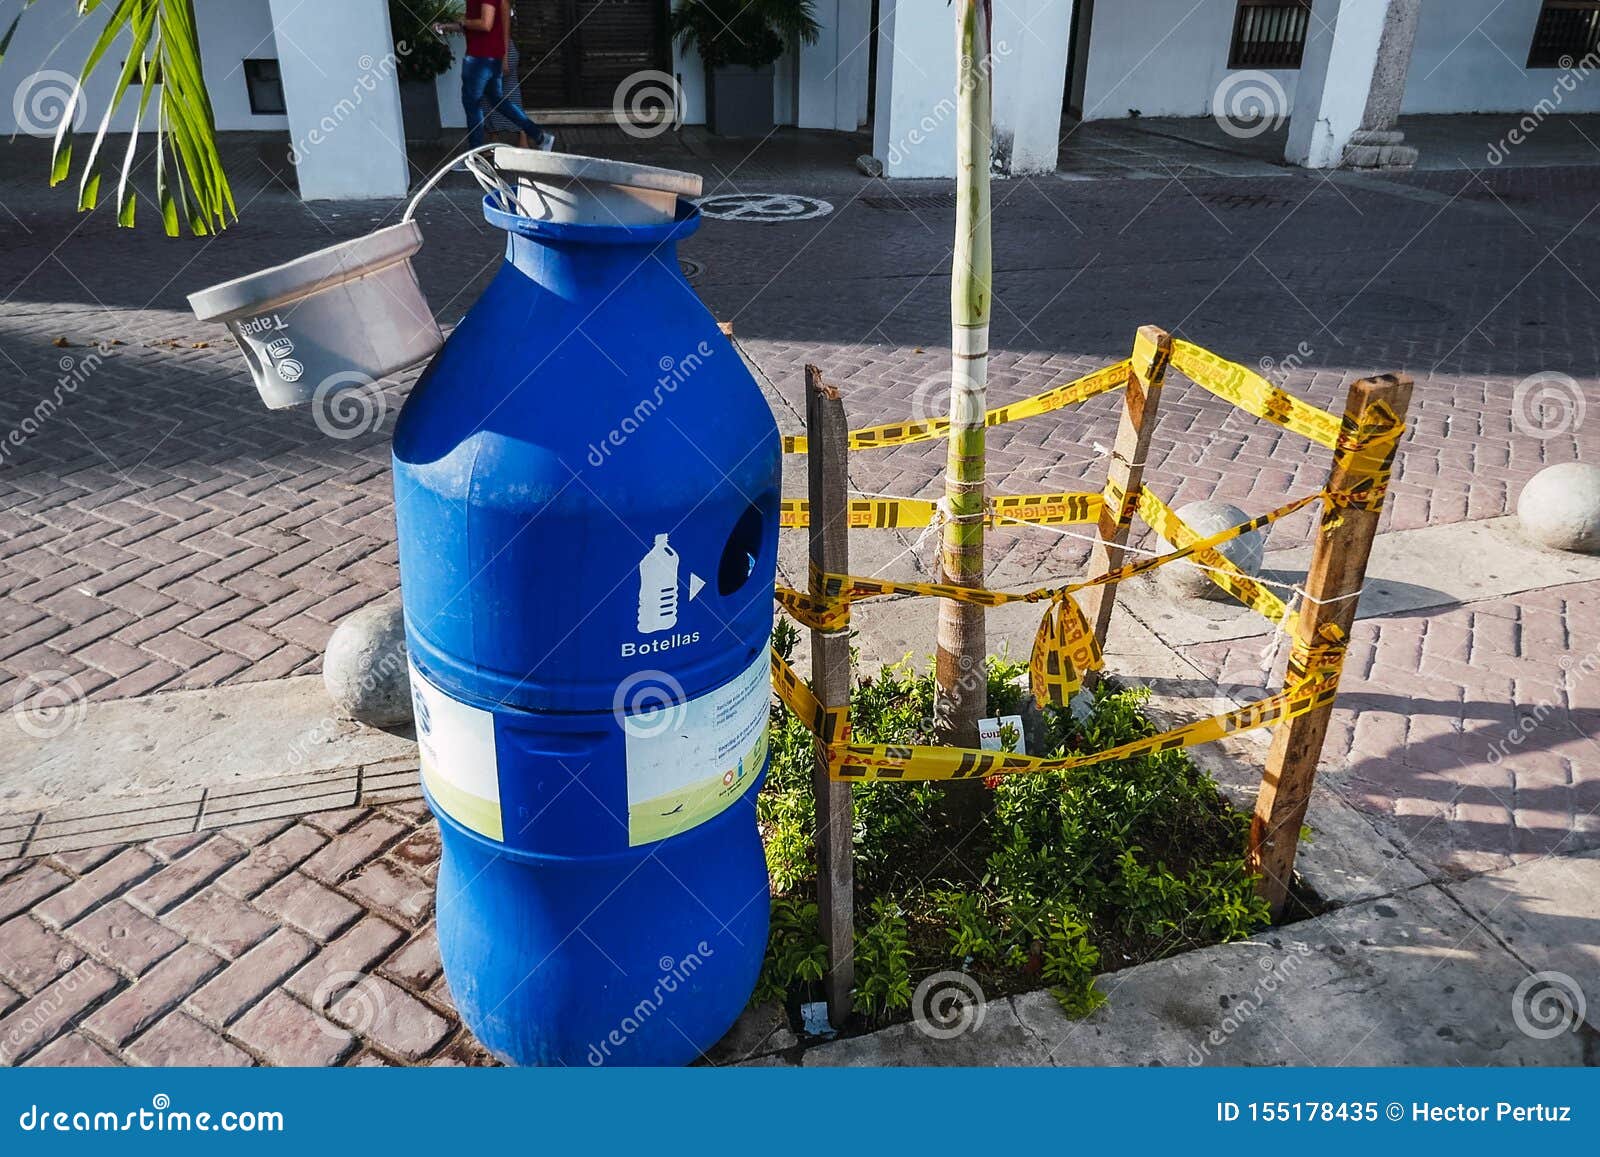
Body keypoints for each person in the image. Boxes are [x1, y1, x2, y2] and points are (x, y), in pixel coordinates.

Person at [443, 0, 553, 152]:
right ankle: (540, 136)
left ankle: (475, 155)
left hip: (480, 58)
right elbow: (479, 25)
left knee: (473, 105)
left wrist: (463, 21)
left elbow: (485, 24)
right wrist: (446, 26)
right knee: (497, 101)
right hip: (489, 56)